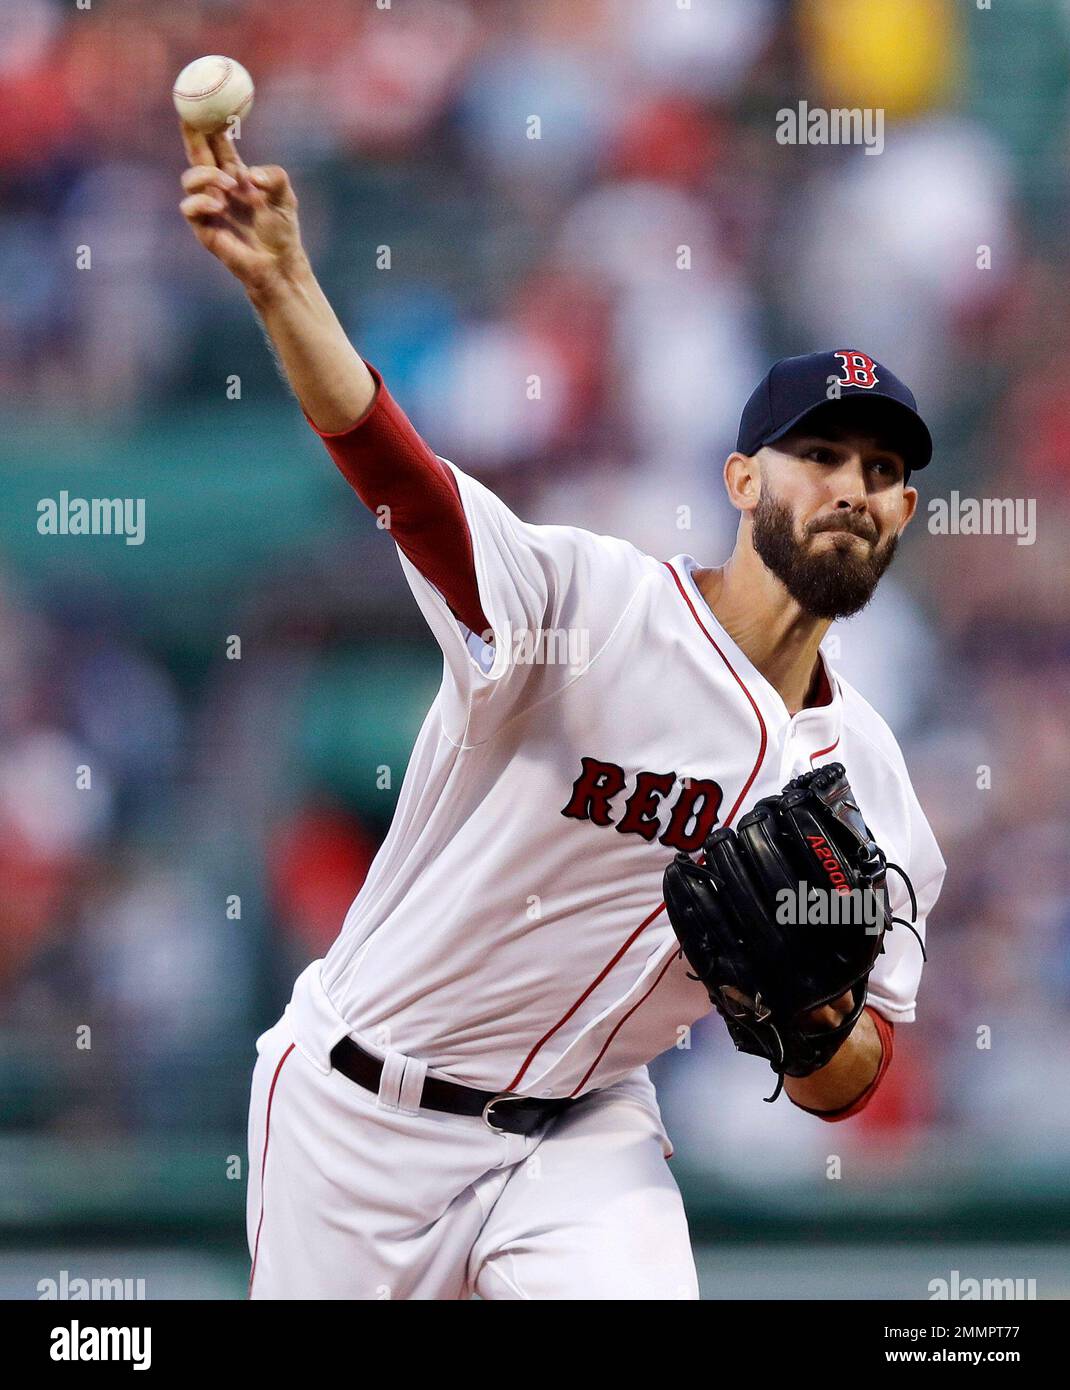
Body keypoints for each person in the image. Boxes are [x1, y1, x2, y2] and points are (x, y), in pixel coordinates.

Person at [179, 125, 946, 1300]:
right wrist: (286, 288)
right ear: (740, 480)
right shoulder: (591, 601)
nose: (852, 487)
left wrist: (806, 1018)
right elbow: (414, 494)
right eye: (821, 455)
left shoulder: (872, 778)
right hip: (360, 1107)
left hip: (585, 1135)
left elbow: (851, 1075)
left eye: (884, 472)